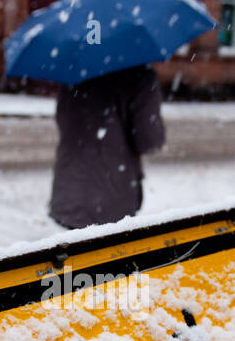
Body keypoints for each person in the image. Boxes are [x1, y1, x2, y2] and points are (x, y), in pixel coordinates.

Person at [49, 64, 166, 229]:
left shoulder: (74, 71)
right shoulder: (139, 75)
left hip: (69, 191)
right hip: (111, 196)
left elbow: (64, 121)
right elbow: (149, 140)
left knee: (76, 252)